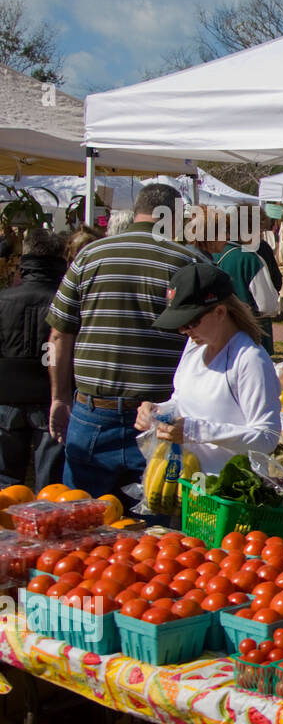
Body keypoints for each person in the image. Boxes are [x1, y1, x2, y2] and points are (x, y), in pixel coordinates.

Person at [45, 183, 203, 504]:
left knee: (82, 523)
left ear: (135, 213)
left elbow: (59, 335)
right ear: (173, 219)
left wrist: (59, 397)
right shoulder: (190, 264)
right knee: (154, 537)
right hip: (158, 417)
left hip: (93, 412)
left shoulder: (89, 255)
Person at [133, 262, 281, 474]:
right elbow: (182, 401)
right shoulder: (195, 345)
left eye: (190, 322)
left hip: (228, 496)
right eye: (180, 324)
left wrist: (197, 430)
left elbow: (266, 438)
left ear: (220, 312)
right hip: (189, 486)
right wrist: (158, 412)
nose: (183, 330)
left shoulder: (249, 359)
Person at [0, 229, 67, 490]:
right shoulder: (66, 302)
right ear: (61, 258)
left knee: (5, 484)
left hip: (6, 397)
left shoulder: (3, 298)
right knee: (50, 486)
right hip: (51, 397)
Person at [198, 208, 280, 352]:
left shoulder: (211, 256)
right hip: (249, 335)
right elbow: (268, 305)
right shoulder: (249, 259)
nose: (260, 236)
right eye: (259, 230)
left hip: (218, 335)